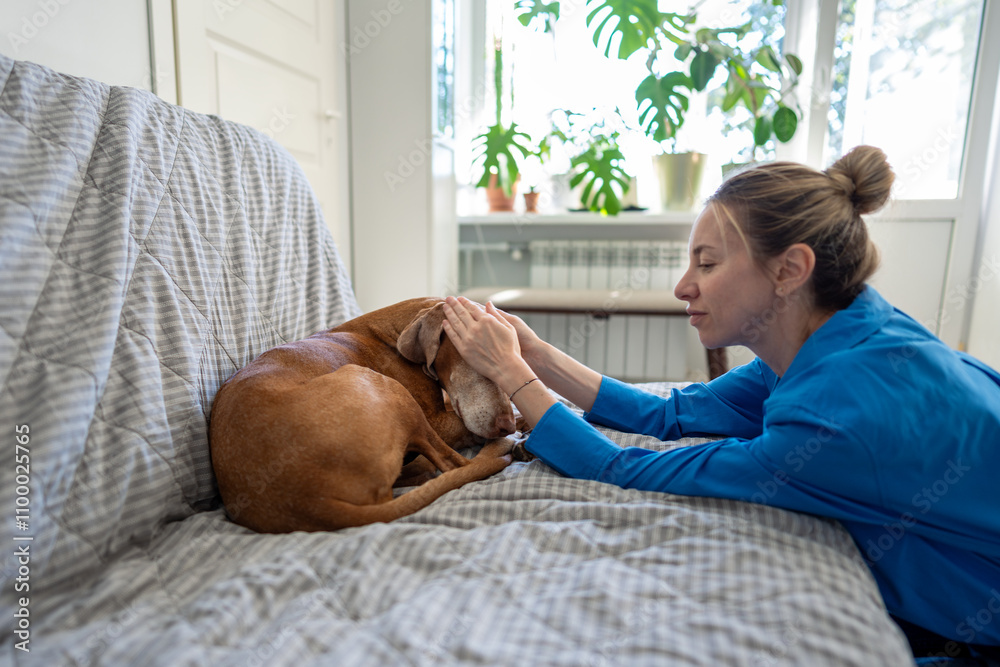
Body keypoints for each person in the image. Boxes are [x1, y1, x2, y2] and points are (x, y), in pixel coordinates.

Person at [442, 145, 1000, 661]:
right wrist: (536, 356)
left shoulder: (833, 419)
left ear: (790, 270)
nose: (683, 286)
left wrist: (512, 376)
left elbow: (621, 468)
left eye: (707, 264)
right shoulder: (829, 336)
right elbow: (668, 414)